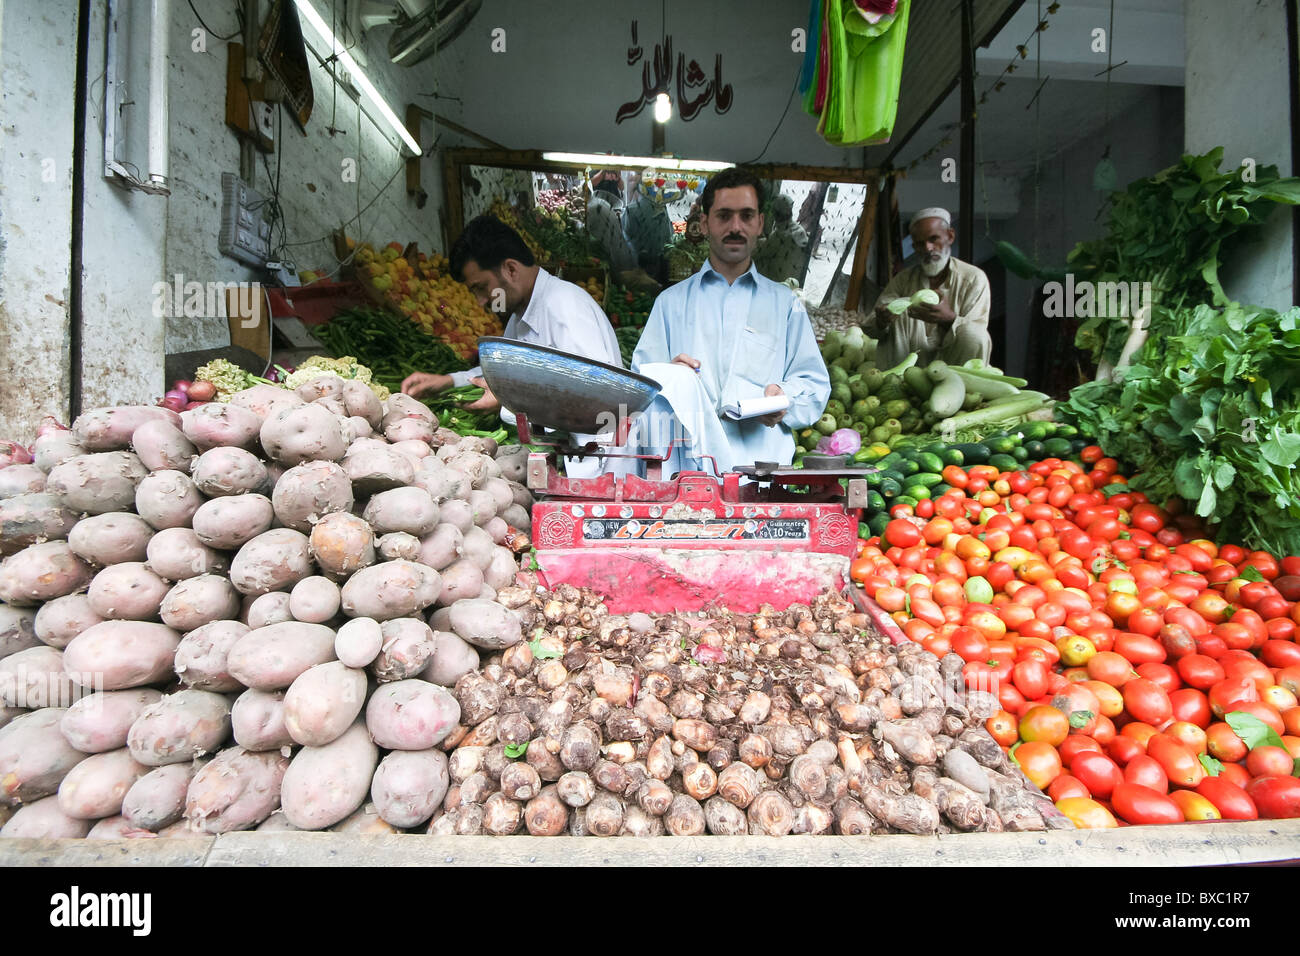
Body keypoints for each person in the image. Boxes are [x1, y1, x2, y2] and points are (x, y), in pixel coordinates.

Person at [631, 167, 830, 475]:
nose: (736, 227)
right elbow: (637, 391)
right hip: (686, 476)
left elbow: (815, 386)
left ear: (760, 223)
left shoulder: (786, 305)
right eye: (724, 216)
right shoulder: (670, 304)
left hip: (762, 476)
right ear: (704, 223)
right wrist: (670, 377)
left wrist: (784, 396)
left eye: (746, 216)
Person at [400, 215, 623, 477]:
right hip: (571, 459)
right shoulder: (521, 316)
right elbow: (504, 375)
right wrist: (449, 382)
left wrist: (509, 401)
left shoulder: (565, 307)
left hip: (598, 464)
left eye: (482, 287)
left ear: (511, 269)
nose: (482, 301)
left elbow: (593, 393)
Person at [867, 206, 992, 368]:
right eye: (920, 244)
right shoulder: (903, 280)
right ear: (914, 247)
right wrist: (882, 321)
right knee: (899, 309)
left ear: (950, 236)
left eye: (934, 239)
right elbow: (870, 327)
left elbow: (976, 333)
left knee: (973, 333)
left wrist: (949, 319)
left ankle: (965, 387)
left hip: (954, 364)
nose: (928, 248)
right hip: (908, 362)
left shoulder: (973, 278)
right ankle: (896, 383)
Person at [585, 171, 638, 272]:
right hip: (597, 207)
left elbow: (622, 187)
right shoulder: (595, 170)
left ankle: (610, 266)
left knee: (610, 238)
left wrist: (618, 177)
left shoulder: (615, 170)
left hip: (613, 207)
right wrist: (603, 170)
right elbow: (591, 183)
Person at [754, 193, 810, 284]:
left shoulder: (780, 235)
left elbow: (758, 253)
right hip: (794, 279)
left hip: (779, 281)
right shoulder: (799, 230)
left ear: (776, 214)